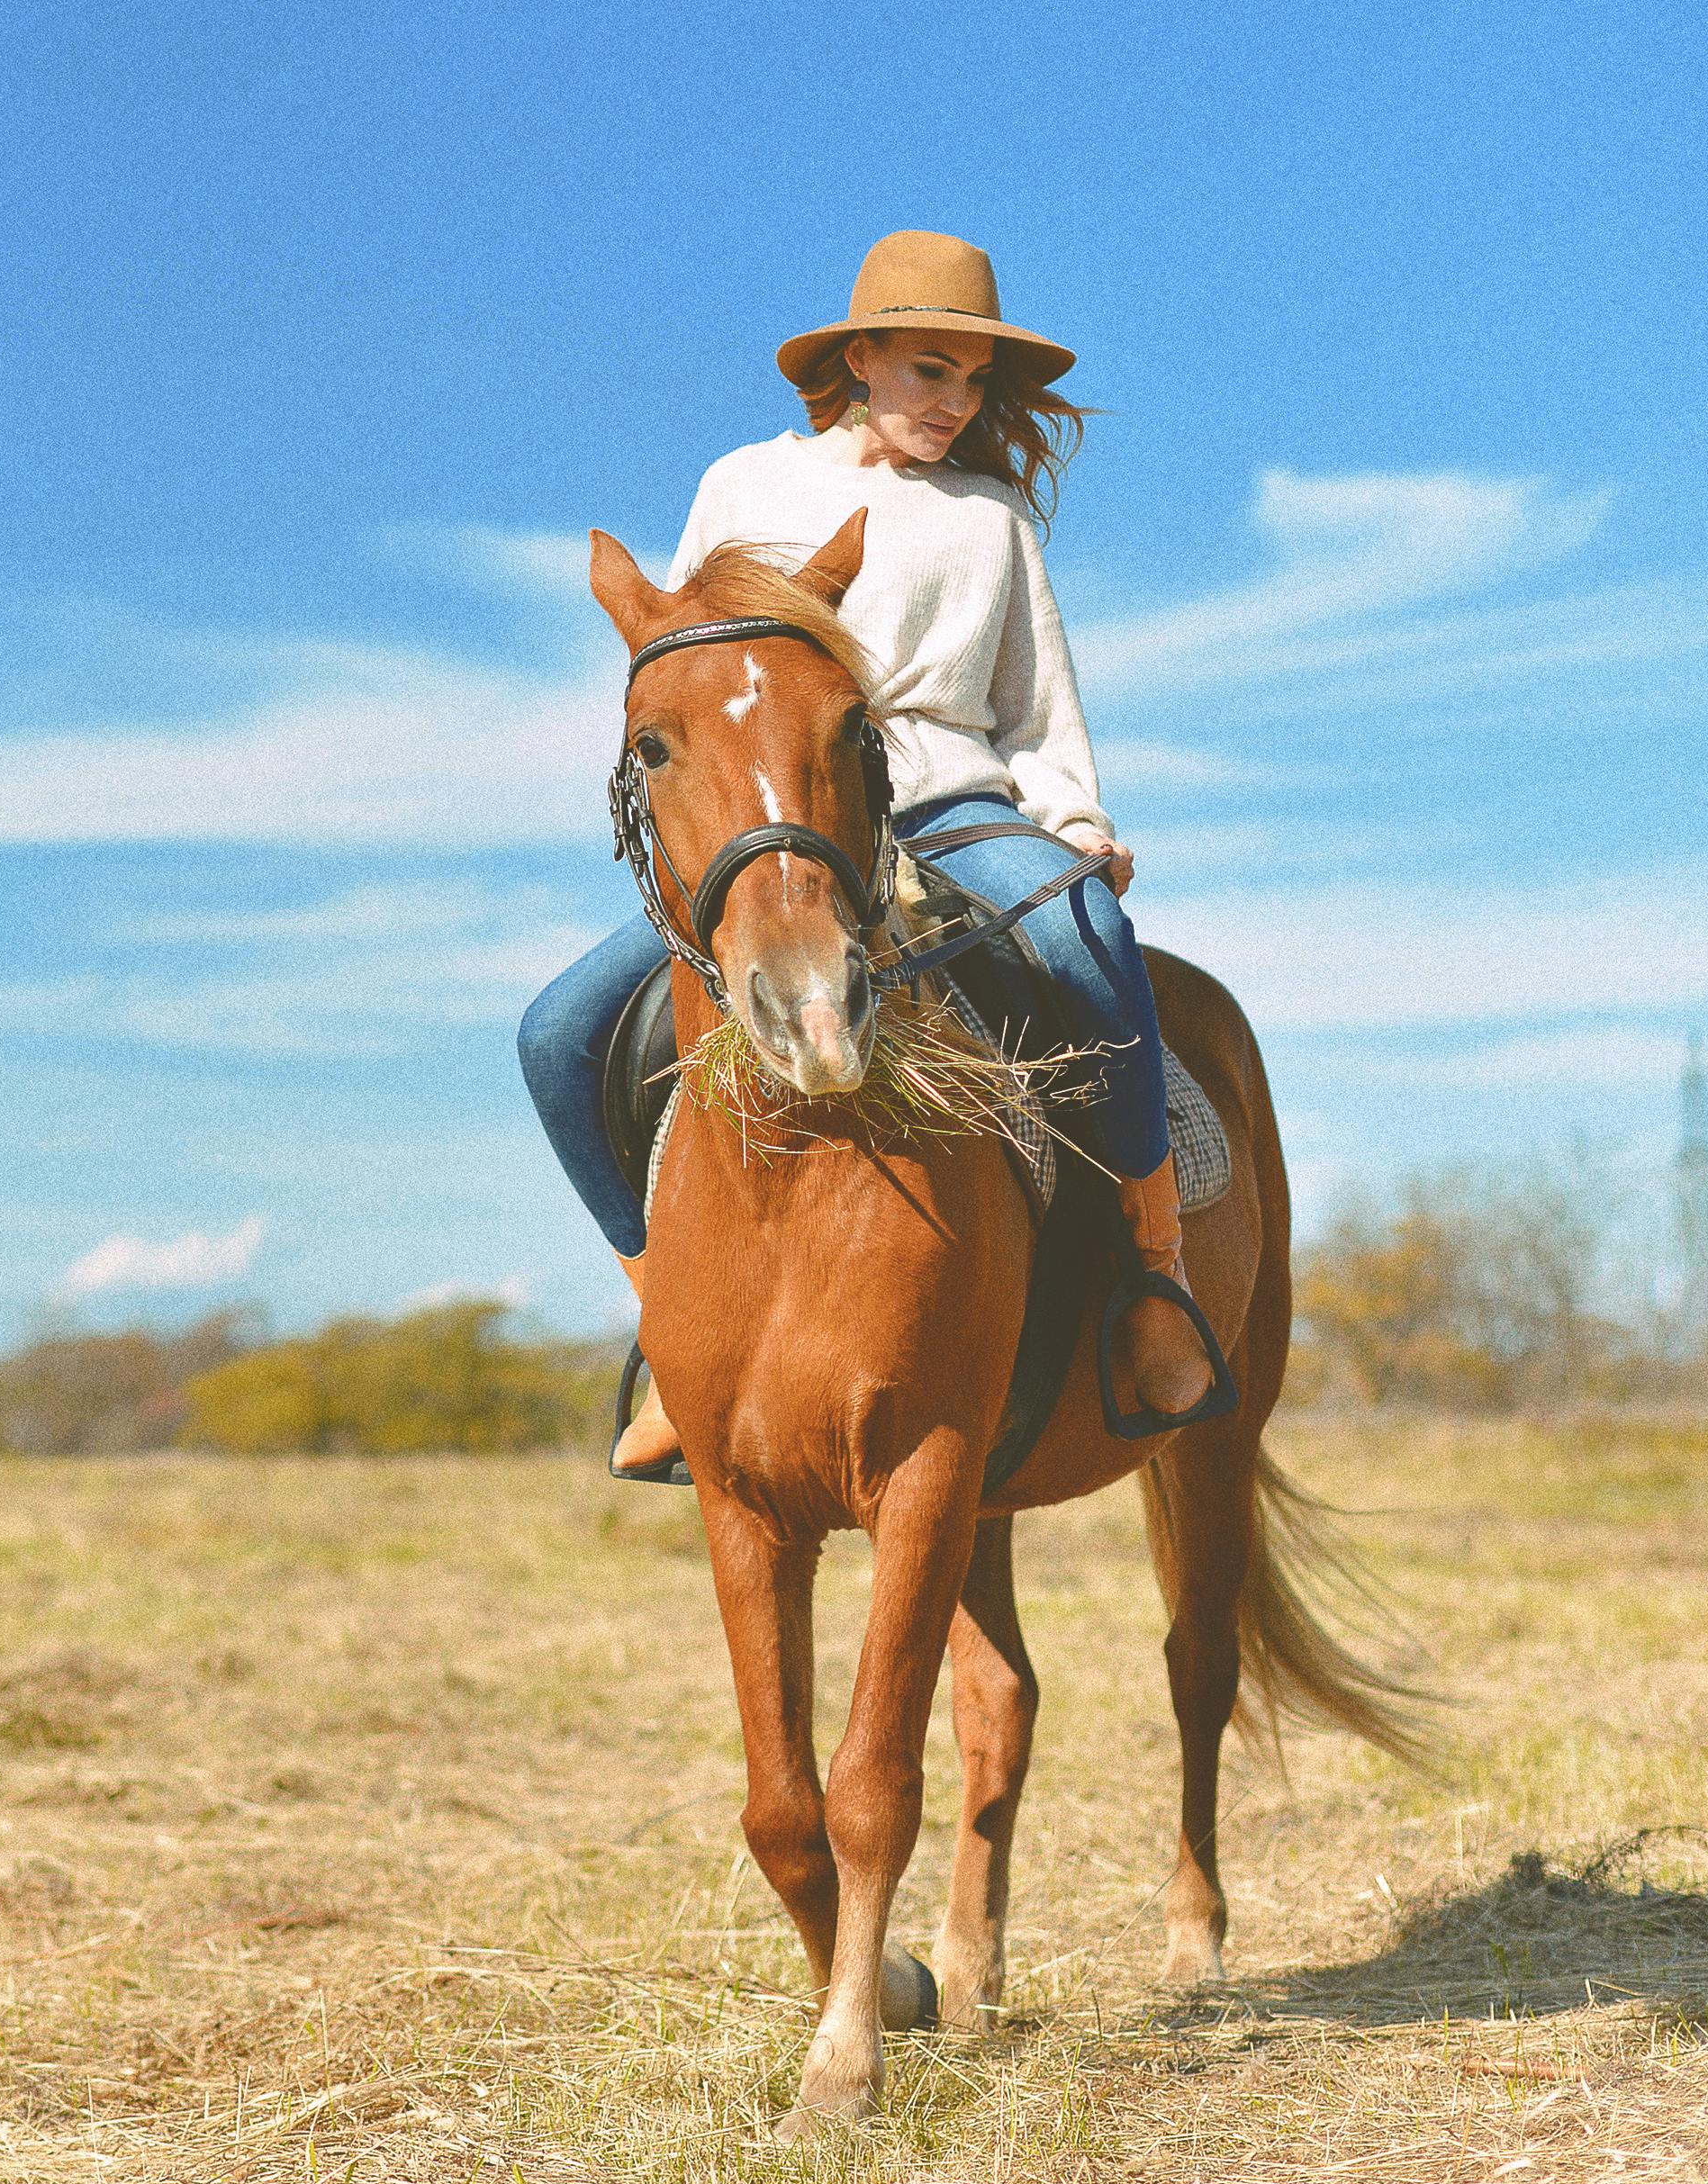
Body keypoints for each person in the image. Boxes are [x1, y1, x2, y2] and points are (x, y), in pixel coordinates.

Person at [516, 228, 1215, 1466]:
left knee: (1090, 940)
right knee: (559, 1032)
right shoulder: (742, 485)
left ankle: (1151, 1281)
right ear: (862, 359)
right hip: (783, 823)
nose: (954, 403)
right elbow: (688, 662)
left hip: (952, 806)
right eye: (929, 371)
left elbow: (1038, 709)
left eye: (972, 382)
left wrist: (1079, 827)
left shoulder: (992, 520)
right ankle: (666, 1327)